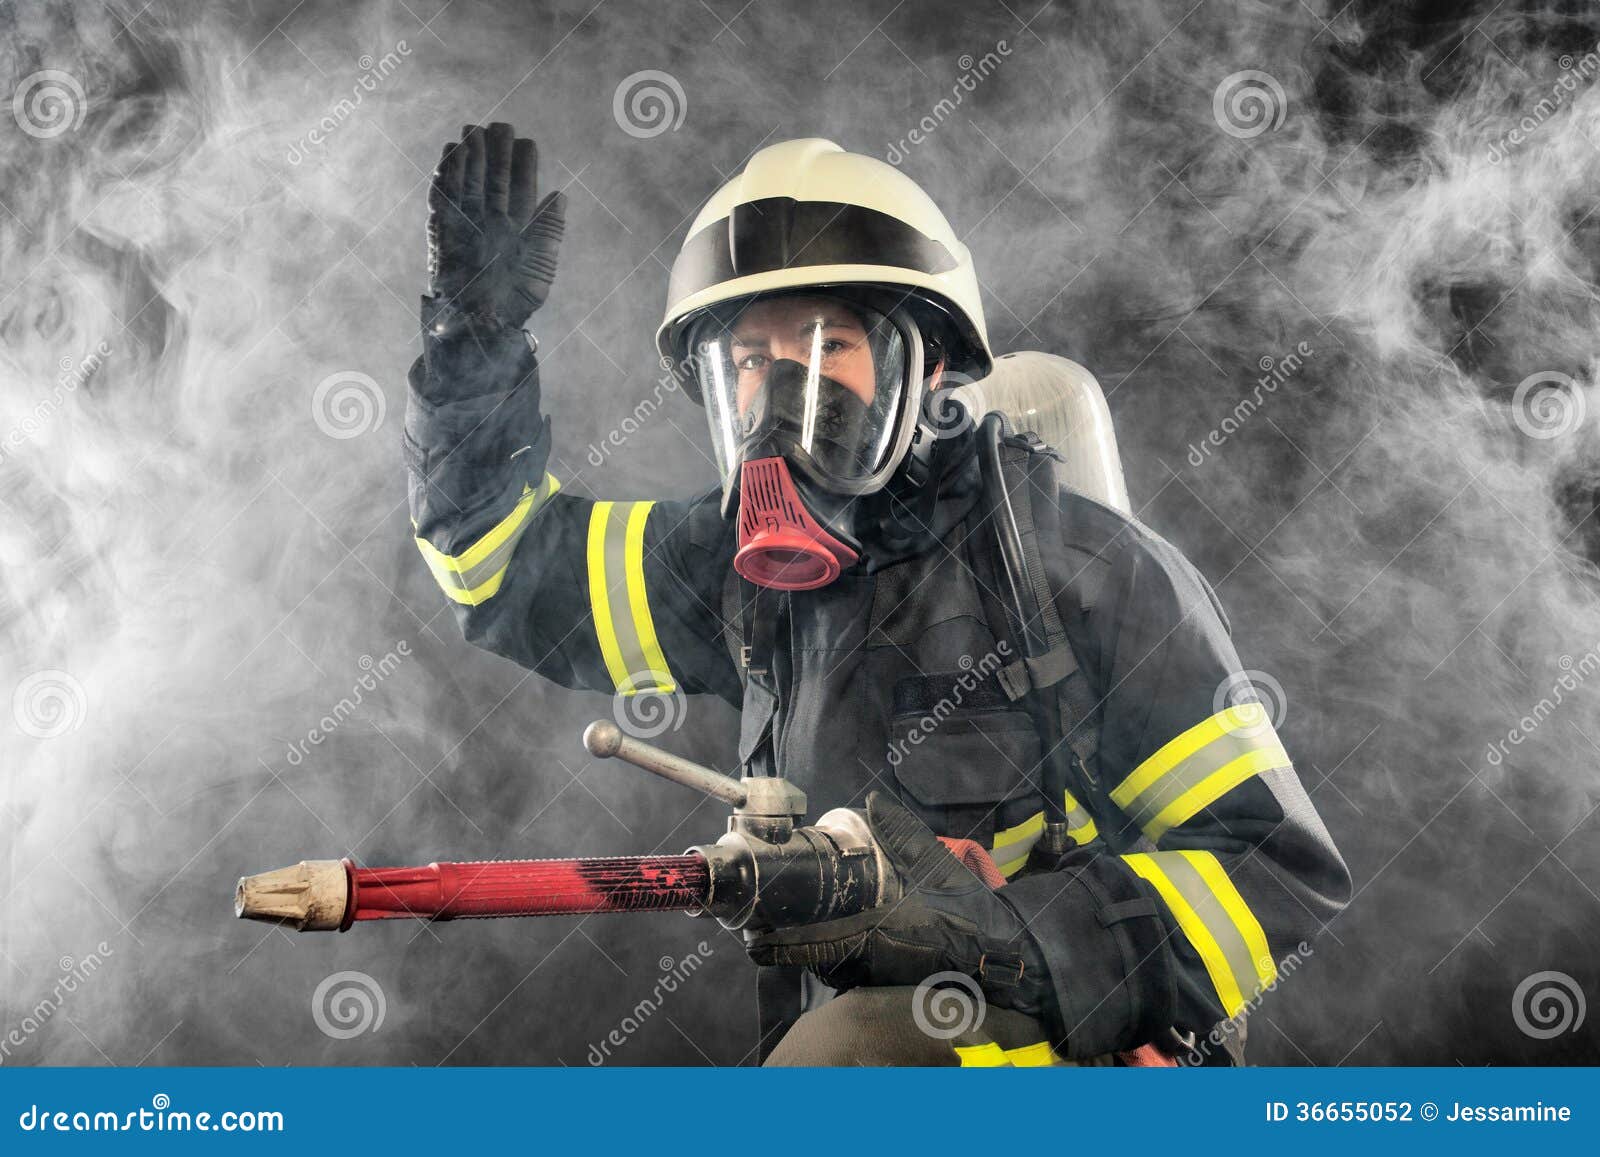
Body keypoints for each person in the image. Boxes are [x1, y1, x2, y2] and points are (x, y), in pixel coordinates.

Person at [404, 123, 1351, 1066]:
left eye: (827, 344)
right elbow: (497, 569)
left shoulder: (1091, 572)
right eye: (746, 359)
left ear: (925, 365)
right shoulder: (739, 575)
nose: (777, 397)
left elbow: (1274, 871)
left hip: (1069, 1065)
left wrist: (1014, 936)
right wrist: (473, 340)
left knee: (843, 1053)